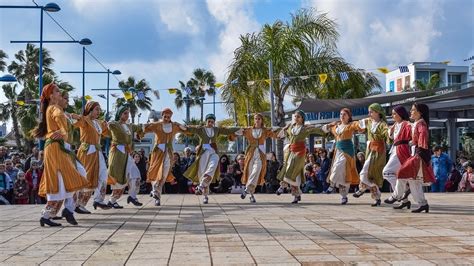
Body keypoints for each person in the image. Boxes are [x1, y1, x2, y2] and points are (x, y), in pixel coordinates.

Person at [32, 83, 89, 226]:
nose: (60, 94)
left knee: (67, 179)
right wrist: (63, 131)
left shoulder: (56, 109)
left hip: (59, 148)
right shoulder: (54, 108)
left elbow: (65, 120)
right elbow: (59, 118)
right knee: (60, 180)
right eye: (57, 91)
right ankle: (49, 214)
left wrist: (73, 118)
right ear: (51, 96)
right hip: (56, 147)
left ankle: (58, 212)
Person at [183, 113, 240, 204]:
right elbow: (191, 129)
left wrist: (239, 128)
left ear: (214, 122)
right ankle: (205, 195)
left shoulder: (216, 130)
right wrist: (182, 127)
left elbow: (227, 131)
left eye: (212, 121)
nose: (210, 123)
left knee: (212, 167)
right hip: (203, 154)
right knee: (203, 174)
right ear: (206, 121)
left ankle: (201, 187)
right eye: (209, 121)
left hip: (213, 152)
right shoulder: (201, 129)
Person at [393, 103, 435, 213]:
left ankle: (396, 196)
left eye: (413, 110)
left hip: (418, 155)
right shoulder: (416, 123)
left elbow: (423, 137)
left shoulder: (421, 124)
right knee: (413, 181)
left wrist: (419, 148)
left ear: (419, 112)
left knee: (402, 173)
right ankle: (423, 204)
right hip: (416, 153)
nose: (410, 112)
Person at [276, 110, 325, 204]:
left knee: (290, 169)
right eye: (295, 116)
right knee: (296, 174)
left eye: (298, 117)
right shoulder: (291, 127)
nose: (296, 118)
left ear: (302, 119)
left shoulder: (305, 128)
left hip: (300, 152)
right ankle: (296, 196)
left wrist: (326, 128)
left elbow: (317, 129)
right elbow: (281, 136)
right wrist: (285, 128)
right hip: (291, 152)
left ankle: (282, 186)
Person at [72, 101, 111, 213]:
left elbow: (107, 132)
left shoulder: (98, 122)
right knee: (87, 177)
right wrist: (72, 116)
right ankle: (78, 204)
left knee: (103, 175)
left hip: (98, 151)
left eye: (99, 109)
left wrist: (110, 125)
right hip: (87, 151)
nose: (99, 111)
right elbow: (74, 122)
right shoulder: (84, 120)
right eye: (96, 109)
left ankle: (98, 200)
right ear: (90, 109)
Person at [143, 108, 185, 206]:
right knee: (157, 172)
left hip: (168, 154)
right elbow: (145, 128)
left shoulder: (173, 126)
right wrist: (141, 129)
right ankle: (156, 194)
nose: (166, 118)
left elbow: (185, 129)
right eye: (165, 116)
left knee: (164, 175)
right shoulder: (157, 125)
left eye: (168, 116)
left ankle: (156, 192)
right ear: (162, 116)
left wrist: (179, 124)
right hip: (158, 152)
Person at [107, 104, 144, 208]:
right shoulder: (114, 124)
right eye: (125, 113)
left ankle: (132, 196)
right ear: (119, 114)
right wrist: (108, 123)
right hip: (117, 154)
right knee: (118, 177)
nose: (127, 115)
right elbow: (108, 125)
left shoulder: (130, 126)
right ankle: (112, 200)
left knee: (135, 174)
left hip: (127, 154)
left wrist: (139, 134)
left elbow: (141, 128)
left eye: (128, 113)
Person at [351, 103, 389, 207]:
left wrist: (390, 134)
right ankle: (373, 194)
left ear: (378, 112)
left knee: (372, 173)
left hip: (379, 151)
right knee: (366, 173)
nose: (369, 114)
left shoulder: (382, 124)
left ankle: (364, 189)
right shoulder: (368, 121)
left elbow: (387, 133)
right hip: (370, 150)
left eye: (371, 112)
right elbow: (357, 124)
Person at [237, 113, 279, 203]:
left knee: (257, 170)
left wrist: (279, 129)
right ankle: (251, 195)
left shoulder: (265, 130)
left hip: (261, 154)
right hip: (250, 153)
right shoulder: (249, 130)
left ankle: (247, 189)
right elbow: (237, 132)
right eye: (256, 118)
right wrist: (237, 129)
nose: (257, 120)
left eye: (259, 118)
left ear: (262, 120)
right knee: (250, 172)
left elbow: (275, 134)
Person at [322, 108, 360, 205]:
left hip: (347, 151)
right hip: (338, 151)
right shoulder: (336, 126)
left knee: (339, 167)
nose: (342, 116)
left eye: (344, 114)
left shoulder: (350, 125)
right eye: (341, 114)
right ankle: (344, 196)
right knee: (342, 173)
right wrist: (330, 124)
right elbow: (324, 129)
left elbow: (359, 125)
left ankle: (331, 185)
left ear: (349, 116)